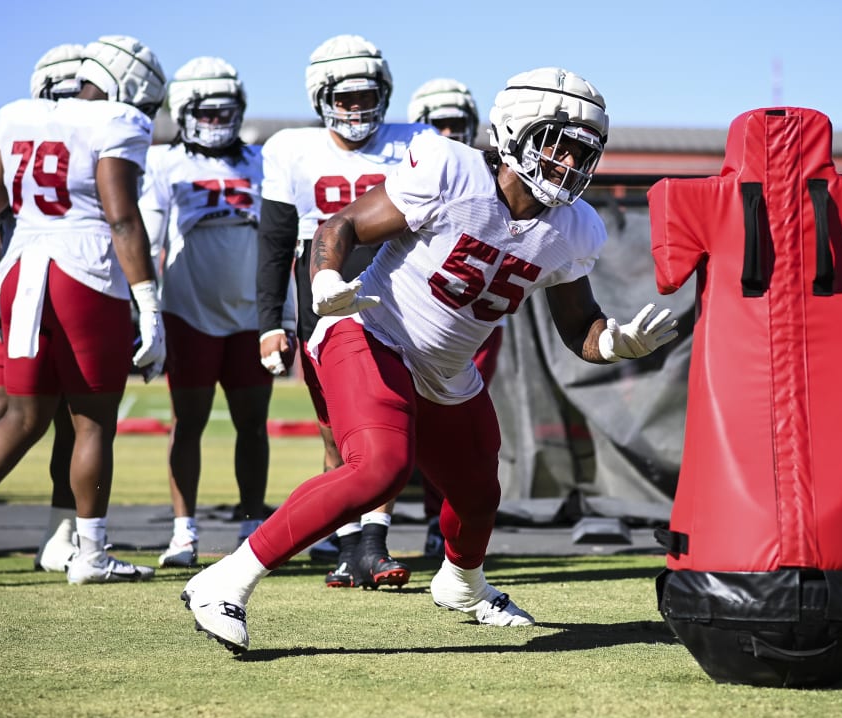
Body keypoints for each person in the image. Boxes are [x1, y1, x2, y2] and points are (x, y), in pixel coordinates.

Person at [181, 66, 678, 653]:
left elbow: (579, 326)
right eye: (557, 144)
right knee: (380, 465)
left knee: (477, 495)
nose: (568, 164)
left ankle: (463, 582)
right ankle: (225, 580)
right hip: (371, 327)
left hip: (446, 368)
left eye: (580, 151)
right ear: (514, 132)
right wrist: (324, 279)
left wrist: (615, 343)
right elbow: (340, 224)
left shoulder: (575, 227)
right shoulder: (452, 169)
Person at [0, 35, 167, 586]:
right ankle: (92, 555)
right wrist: (150, 309)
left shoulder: (20, 117)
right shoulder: (116, 122)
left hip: (20, 272)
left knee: (21, 414)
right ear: (130, 86)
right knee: (93, 422)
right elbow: (122, 218)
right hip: (84, 274)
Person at [255, 34, 435, 589]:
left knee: (384, 425)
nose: (357, 107)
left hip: (394, 304)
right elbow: (276, 242)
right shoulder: (291, 149)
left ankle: (374, 544)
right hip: (323, 310)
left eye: (367, 95)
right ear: (321, 97)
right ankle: (350, 546)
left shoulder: (417, 141)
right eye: (345, 97)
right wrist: (270, 323)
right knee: (335, 433)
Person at [0, 43, 87, 577]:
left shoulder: (13, 127)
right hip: (53, 286)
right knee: (74, 417)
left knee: (3, 414)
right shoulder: (24, 131)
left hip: (19, 286)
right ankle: (59, 534)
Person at [143, 57, 287, 567]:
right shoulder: (163, 163)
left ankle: (253, 524)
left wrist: (283, 316)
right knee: (189, 422)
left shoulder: (263, 160)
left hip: (252, 315)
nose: (216, 120)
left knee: (254, 422)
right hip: (190, 310)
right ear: (182, 112)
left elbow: (280, 243)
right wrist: (148, 315)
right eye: (205, 111)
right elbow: (147, 239)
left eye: (225, 110)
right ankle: (184, 531)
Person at [407, 77, 492, 557]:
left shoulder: (486, 178)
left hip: (467, 322)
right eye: (438, 124)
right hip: (409, 320)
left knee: (459, 433)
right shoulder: (413, 169)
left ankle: (443, 530)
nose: (448, 132)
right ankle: (363, 535)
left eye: (456, 124)